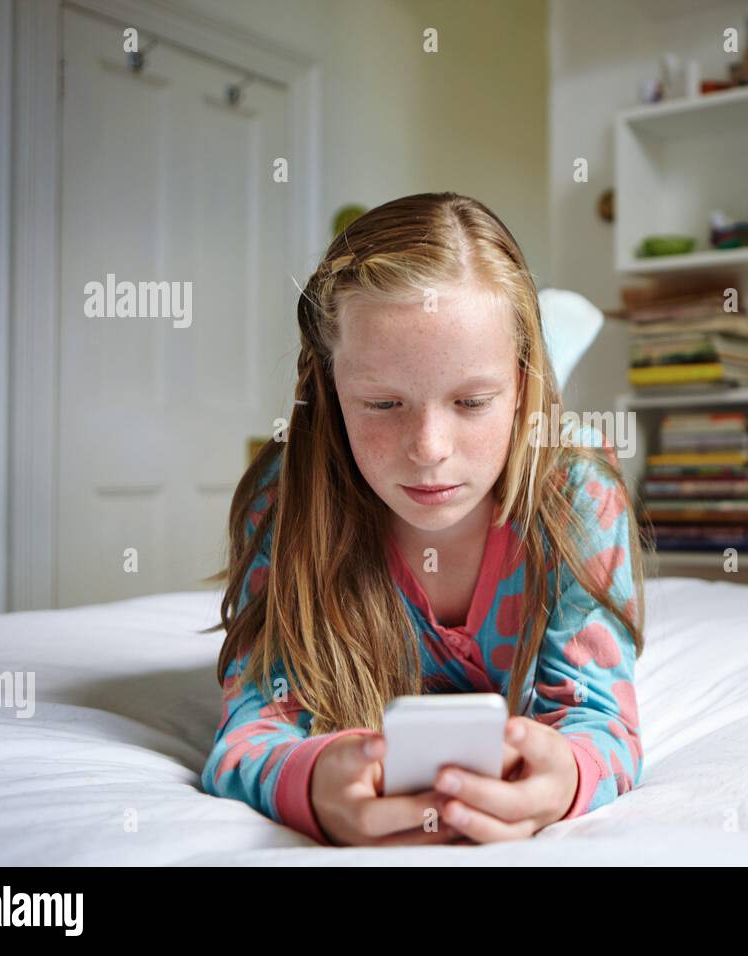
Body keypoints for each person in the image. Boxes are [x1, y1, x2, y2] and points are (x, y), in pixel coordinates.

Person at [199, 192, 646, 847]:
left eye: (471, 400)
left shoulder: (577, 485)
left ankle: (554, 346)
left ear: (520, 387)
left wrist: (568, 775)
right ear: (328, 387)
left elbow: (599, 718)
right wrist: (313, 780)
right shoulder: (288, 492)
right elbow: (253, 728)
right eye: (382, 403)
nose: (429, 448)